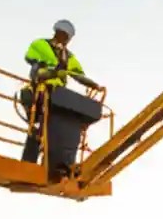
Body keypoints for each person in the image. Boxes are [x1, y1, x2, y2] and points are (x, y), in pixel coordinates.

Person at [20, 19, 104, 175]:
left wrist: (94, 85)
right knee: (38, 130)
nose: (65, 40)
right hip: (38, 92)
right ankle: (28, 164)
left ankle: (61, 165)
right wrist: (54, 72)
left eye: (68, 38)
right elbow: (36, 71)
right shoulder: (40, 45)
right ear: (57, 32)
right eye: (63, 36)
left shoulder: (68, 56)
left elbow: (78, 75)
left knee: (62, 127)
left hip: (57, 97)